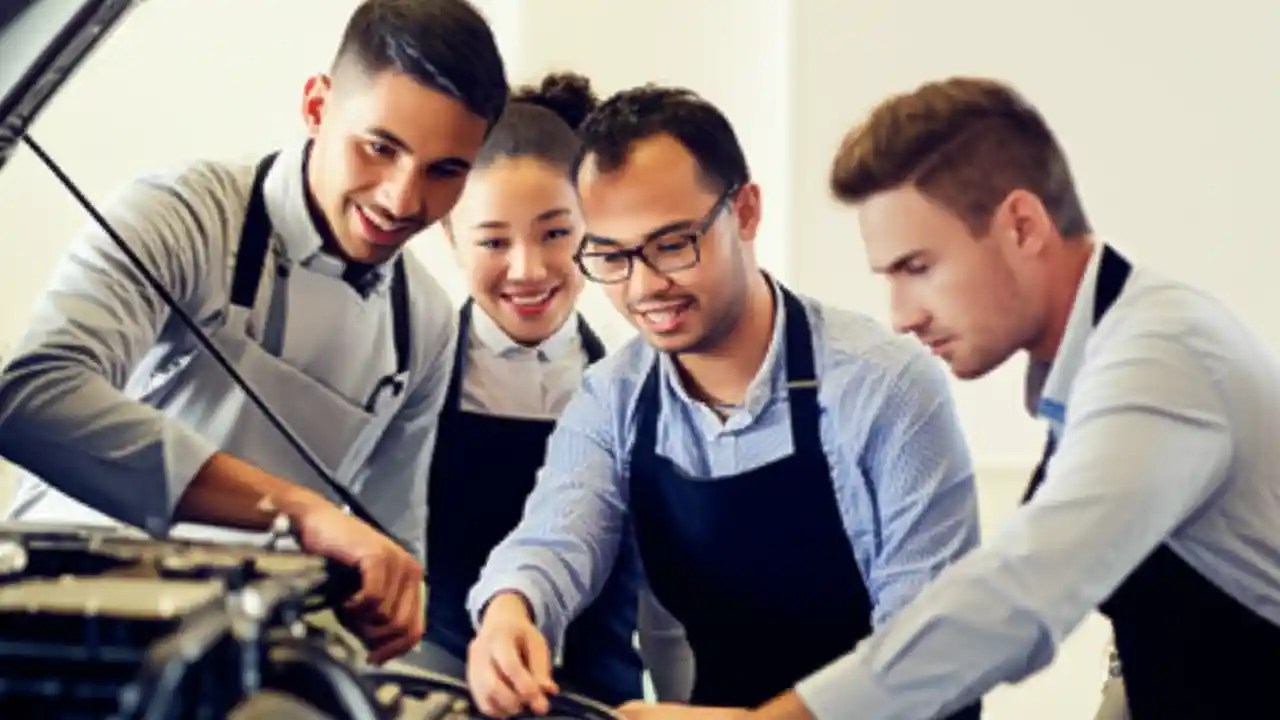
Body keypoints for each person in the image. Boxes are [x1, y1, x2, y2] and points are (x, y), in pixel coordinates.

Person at [625, 76, 1280, 720]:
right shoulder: (1100, 353)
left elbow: (1017, 603)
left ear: (1023, 226)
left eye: (918, 268)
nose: (901, 315)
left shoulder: (1157, 360)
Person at [0, 0, 507, 666]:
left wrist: (385, 602)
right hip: (53, 636)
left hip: (225, 665)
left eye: (446, 171)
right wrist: (299, 512)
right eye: (379, 147)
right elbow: (31, 397)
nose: (402, 200)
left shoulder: (429, 324)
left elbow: (388, 541)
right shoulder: (182, 215)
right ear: (318, 107)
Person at [461, 84, 984, 719]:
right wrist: (509, 612)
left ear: (747, 212)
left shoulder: (887, 389)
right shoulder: (614, 397)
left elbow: (927, 661)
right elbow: (553, 538)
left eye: (674, 244)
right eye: (612, 256)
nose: (646, 286)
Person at [397, 71, 652, 706]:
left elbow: (669, 611)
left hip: (600, 704)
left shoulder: (645, 391)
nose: (528, 269)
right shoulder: (402, 379)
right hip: (440, 696)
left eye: (556, 233)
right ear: (449, 234)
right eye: (492, 240)